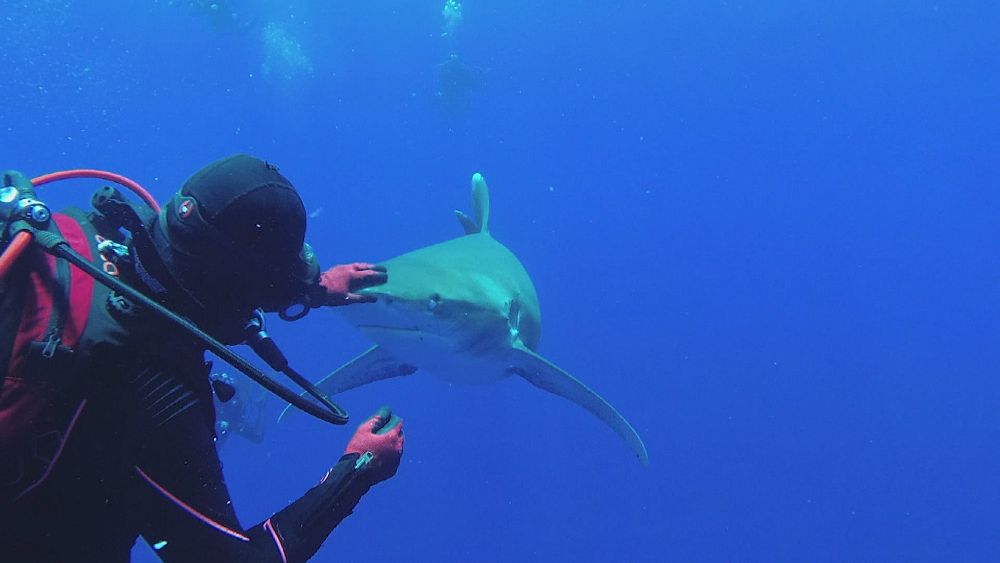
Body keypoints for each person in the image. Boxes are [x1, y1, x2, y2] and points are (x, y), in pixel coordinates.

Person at [0, 154, 404, 561]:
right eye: (264, 293)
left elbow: (207, 266)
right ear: (233, 295)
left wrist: (313, 289)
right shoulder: (153, 391)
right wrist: (358, 469)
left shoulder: (81, 237)